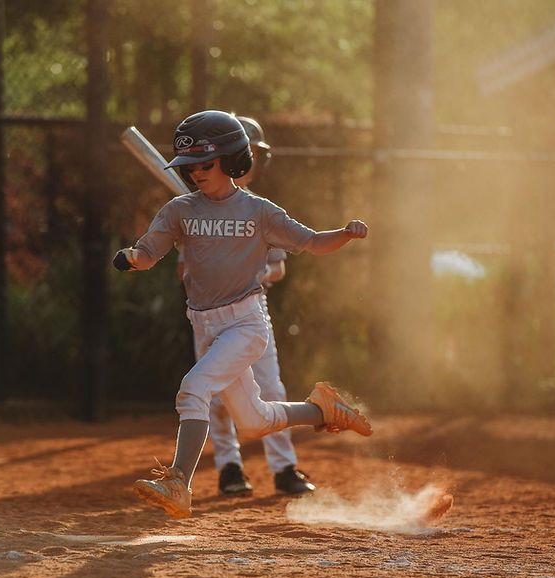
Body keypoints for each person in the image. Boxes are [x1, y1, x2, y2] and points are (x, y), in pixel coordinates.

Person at [113, 110, 371, 518]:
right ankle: (324, 410)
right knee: (253, 420)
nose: (197, 174)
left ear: (234, 161)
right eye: (190, 167)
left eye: (206, 165)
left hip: (245, 323)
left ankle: (179, 480)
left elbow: (312, 242)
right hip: (206, 324)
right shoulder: (180, 211)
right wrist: (131, 258)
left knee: (193, 387)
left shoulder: (259, 211)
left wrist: (345, 233)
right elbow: (149, 253)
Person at [179, 115, 314, 497]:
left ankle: (285, 467)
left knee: (270, 387)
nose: (252, 159)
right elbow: (182, 271)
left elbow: (279, 268)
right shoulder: (191, 211)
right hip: (209, 318)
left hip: (252, 314)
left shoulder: (259, 209)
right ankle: (229, 467)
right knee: (218, 396)